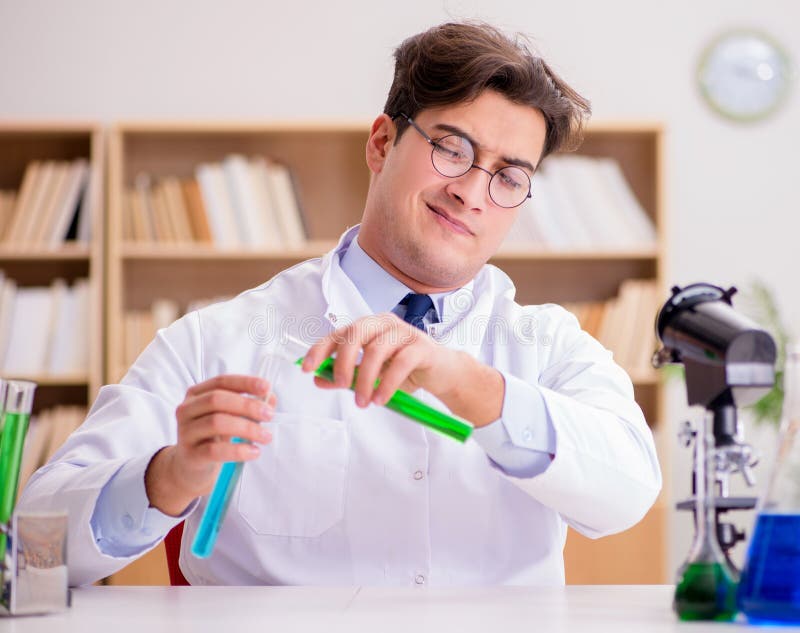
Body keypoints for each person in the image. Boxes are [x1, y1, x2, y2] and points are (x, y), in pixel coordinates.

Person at [19, 21, 661, 587]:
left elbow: (627, 494)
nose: (472, 192)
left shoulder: (547, 346)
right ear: (382, 143)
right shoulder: (219, 340)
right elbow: (37, 545)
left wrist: (470, 386)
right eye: (451, 149)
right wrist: (170, 475)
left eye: (509, 177)